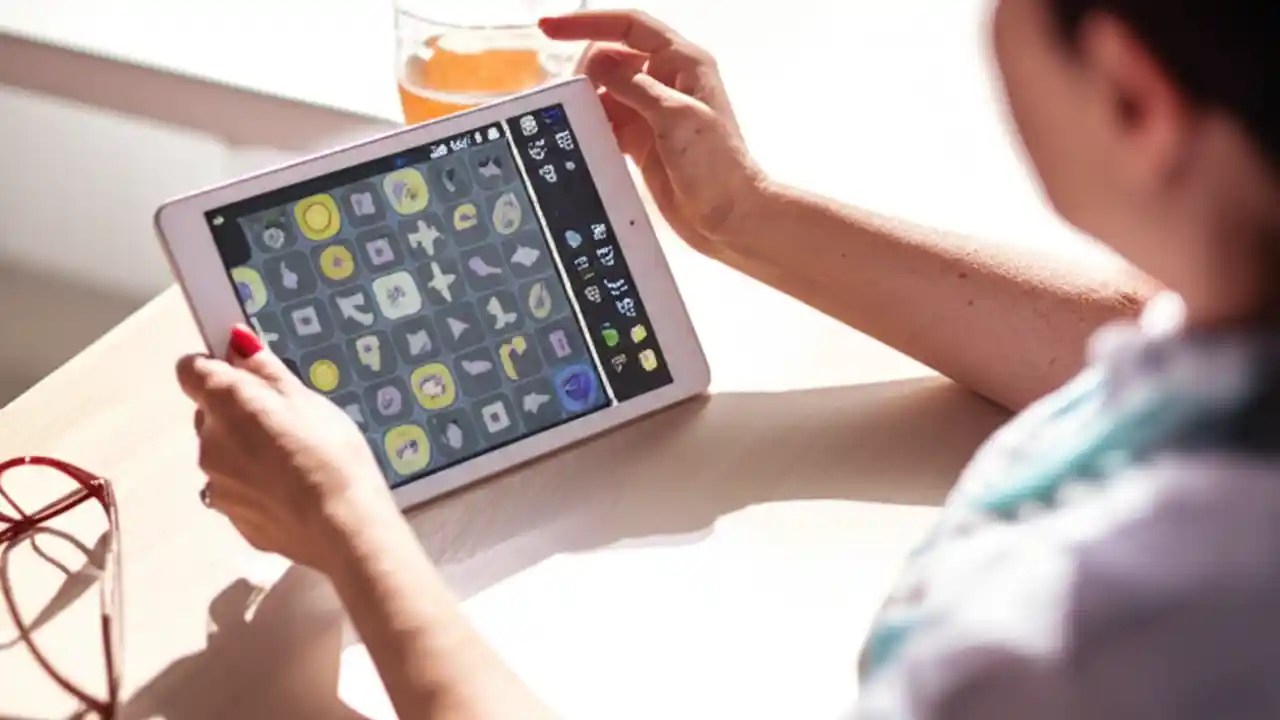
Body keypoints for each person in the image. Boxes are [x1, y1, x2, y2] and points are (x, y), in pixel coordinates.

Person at [176, 2, 1279, 717]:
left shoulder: (1066, 648)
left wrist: (351, 529)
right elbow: (1124, 333)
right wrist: (738, 215)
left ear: (1133, 99)